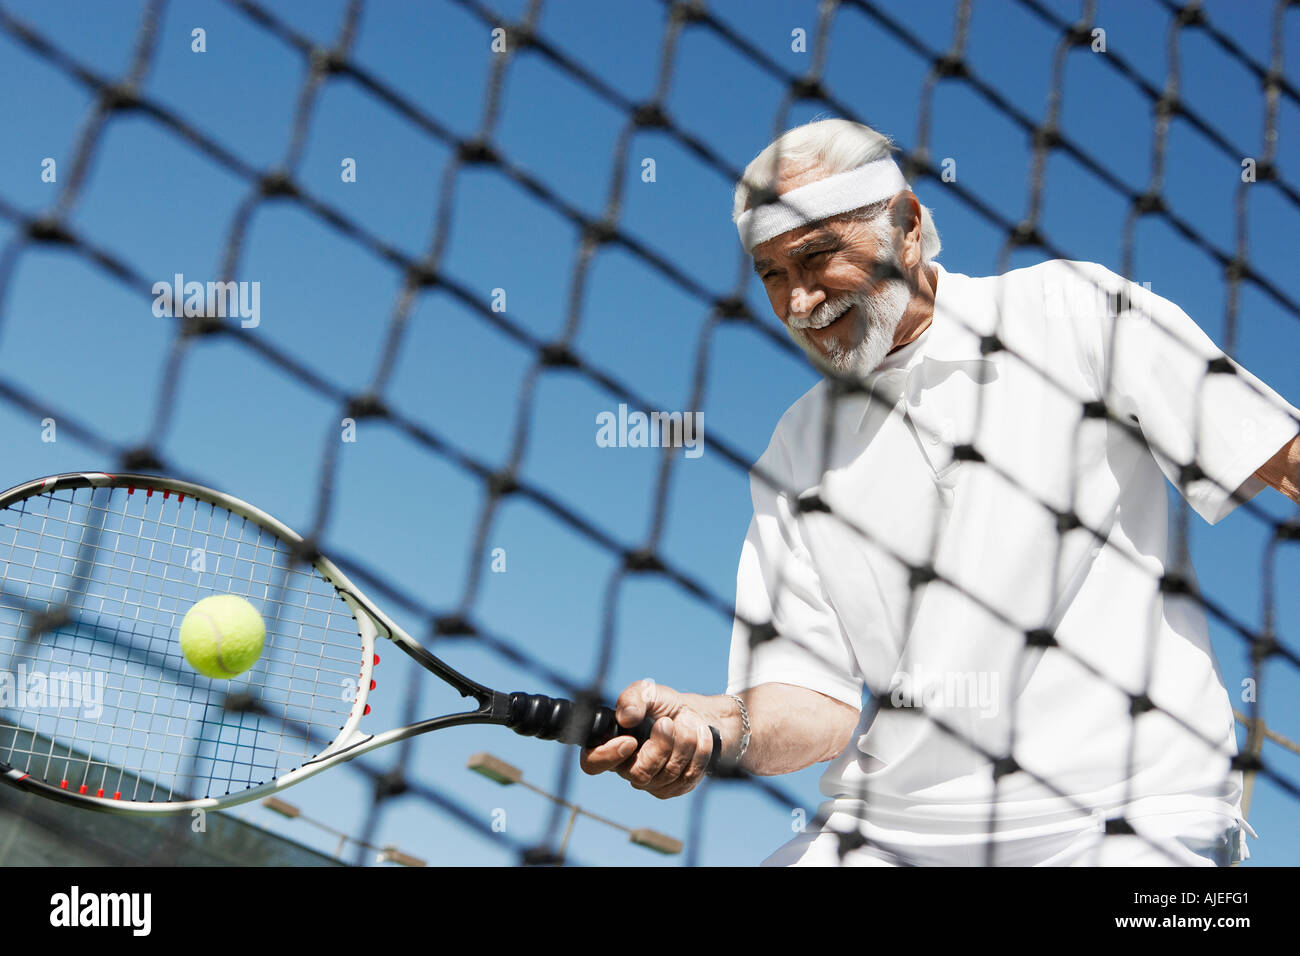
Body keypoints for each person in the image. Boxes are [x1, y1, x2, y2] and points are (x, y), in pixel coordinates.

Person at [580, 118, 1300, 866]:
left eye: (817, 258)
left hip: (1132, 815)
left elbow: (1282, 457)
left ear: (908, 227)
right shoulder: (794, 454)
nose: (798, 301)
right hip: (889, 834)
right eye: (772, 275)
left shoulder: (1073, 311)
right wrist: (719, 724)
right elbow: (814, 703)